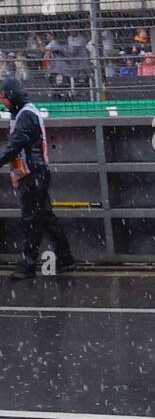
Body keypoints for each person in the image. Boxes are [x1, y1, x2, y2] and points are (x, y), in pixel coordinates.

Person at [0, 77, 75, 279]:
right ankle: (65, 258)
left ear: (11, 96)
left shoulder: (24, 115)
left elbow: (15, 144)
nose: (3, 102)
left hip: (30, 174)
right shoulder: (26, 112)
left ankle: (28, 264)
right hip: (35, 173)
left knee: (31, 220)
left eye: (4, 98)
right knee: (45, 217)